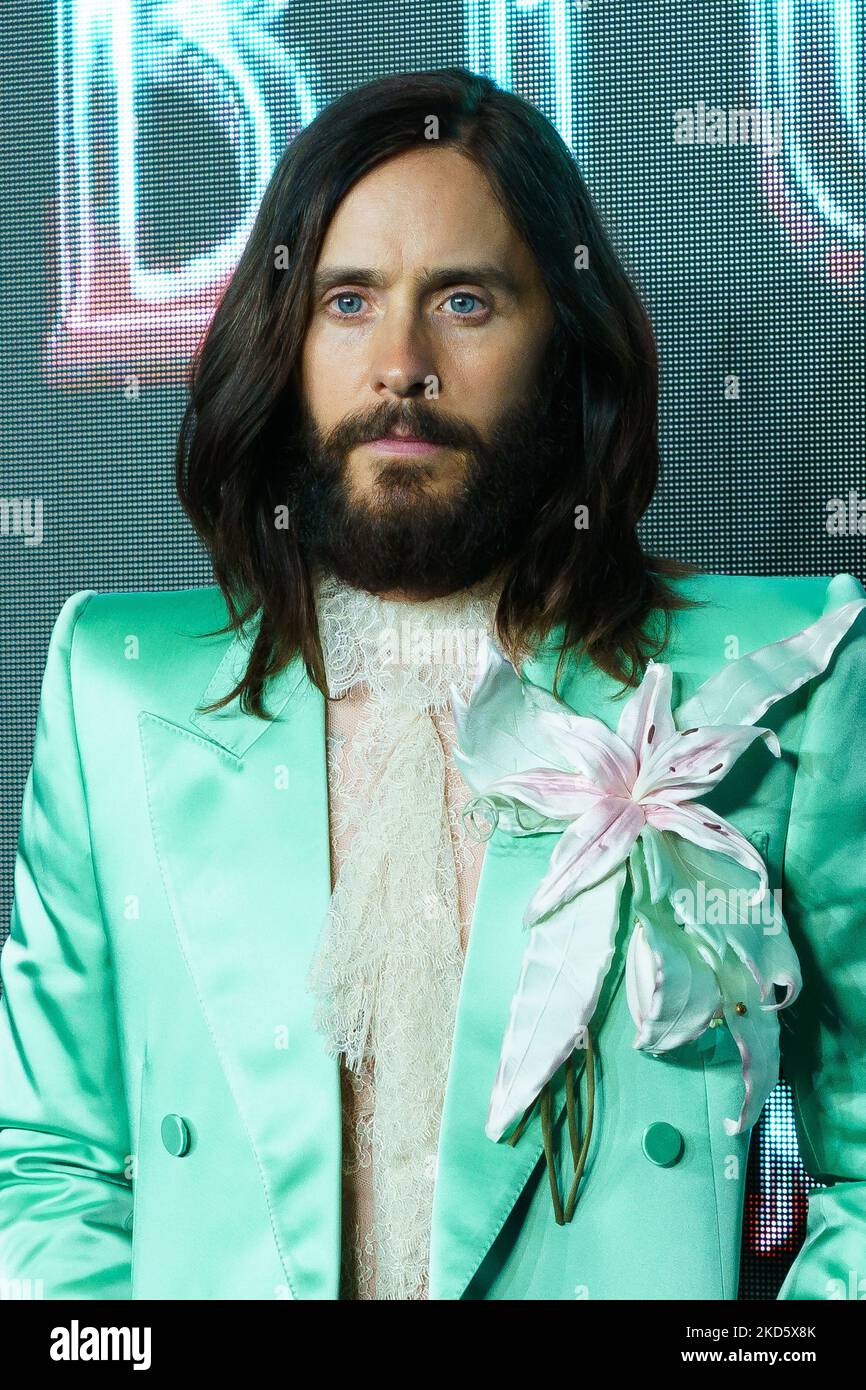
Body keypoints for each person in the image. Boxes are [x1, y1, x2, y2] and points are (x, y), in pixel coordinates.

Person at [0, 68, 864, 1302]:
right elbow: (44, 1163)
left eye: (464, 301)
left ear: (563, 342)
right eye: (348, 300)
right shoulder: (112, 683)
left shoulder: (776, 677)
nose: (400, 362)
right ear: (282, 340)